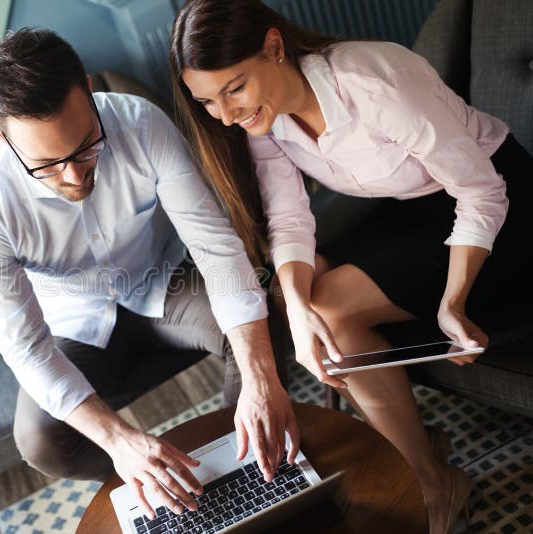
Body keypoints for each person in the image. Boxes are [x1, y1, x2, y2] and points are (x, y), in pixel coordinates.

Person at [169, 0, 533, 532]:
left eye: (235, 88)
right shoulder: (263, 120)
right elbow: (290, 222)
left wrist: (453, 302)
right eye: (207, 101)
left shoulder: (372, 80)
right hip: (416, 209)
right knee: (301, 291)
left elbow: (481, 193)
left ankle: (432, 483)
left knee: (331, 308)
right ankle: (413, 447)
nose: (225, 115)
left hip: (500, 206)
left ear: (274, 47)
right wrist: (295, 309)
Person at [0, 27, 300, 519]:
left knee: (257, 331)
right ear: (1, 134)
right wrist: (121, 443)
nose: (74, 177)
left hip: (165, 279)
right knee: (39, 440)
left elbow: (215, 247)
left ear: (91, 92)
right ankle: (163, 483)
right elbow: (24, 347)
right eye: (47, 165)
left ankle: (242, 467)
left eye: (84, 147)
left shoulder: (141, 123)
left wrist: (261, 379)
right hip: (75, 320)